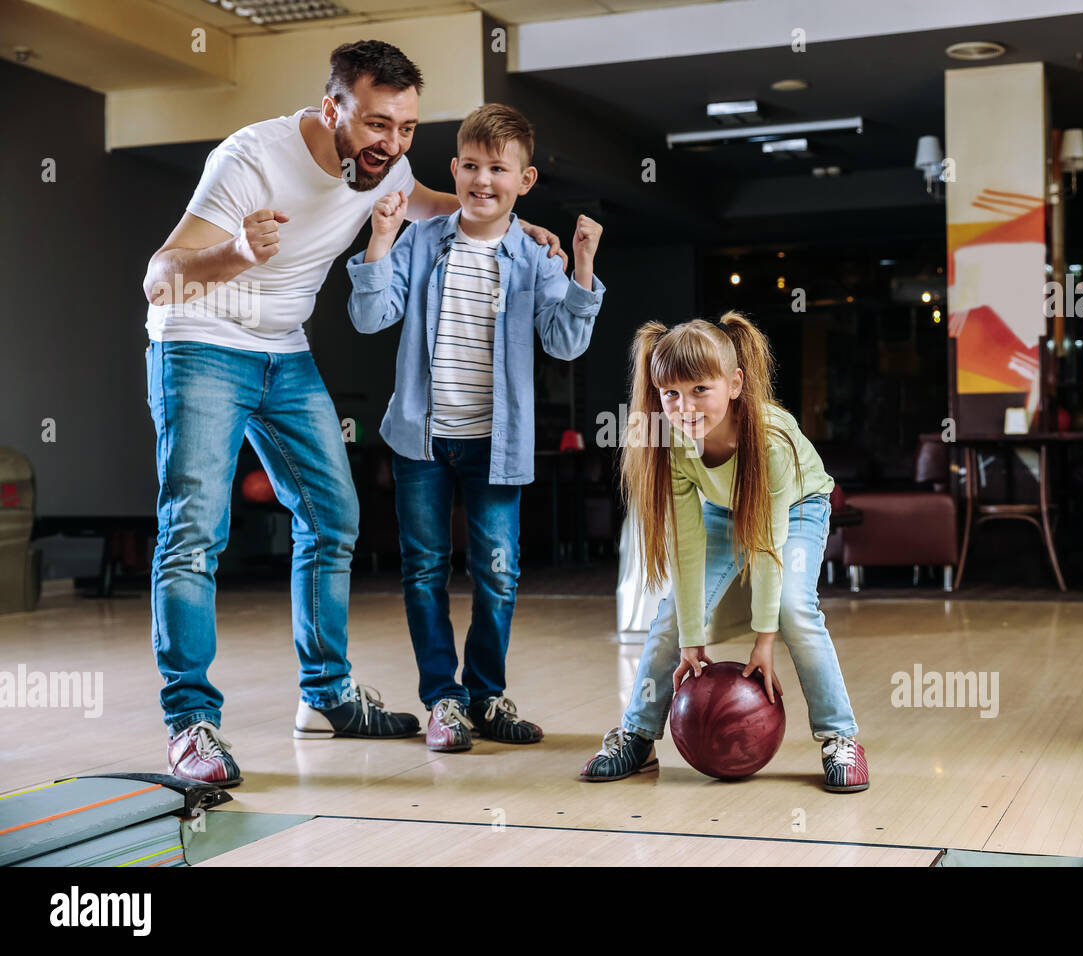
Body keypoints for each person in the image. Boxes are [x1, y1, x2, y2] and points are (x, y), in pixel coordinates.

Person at [140, 41, 567, 787]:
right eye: (377, 126)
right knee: (195, 529)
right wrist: (238, 251)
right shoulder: (250, 158)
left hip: (284, 350)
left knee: (334, 517)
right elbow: (160, 280)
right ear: (332, 107)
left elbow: (438, 204)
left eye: (405, 128)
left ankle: (326, 695)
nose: (393, 145)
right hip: (201, 341)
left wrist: (517, 226)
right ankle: (191, 724)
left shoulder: (387, 167)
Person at [347, 103, 605, 752]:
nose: (482, 180)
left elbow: (566, 341)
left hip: (498, 444)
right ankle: (444, 701)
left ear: (526, 180)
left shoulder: (536, 256)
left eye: (499, 169)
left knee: (498, 572)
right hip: (421, 443)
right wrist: (379, 242)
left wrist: (580, 269)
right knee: (425, 571)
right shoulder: (421, 241)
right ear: (454, 169)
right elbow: (371, 318)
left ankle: (486, 695)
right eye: (471, 166)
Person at [580, 312, 869, 792]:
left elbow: (771, 545)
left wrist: (763, 640)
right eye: (670, 393)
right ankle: (637, 735)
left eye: (699, 390)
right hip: (723, 511)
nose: (684, 406)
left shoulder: (770, 436)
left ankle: (841, 738)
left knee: (794, 608)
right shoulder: (671, 440)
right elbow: (687, 547)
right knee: (671, 613)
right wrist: (693, 640)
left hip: (795, 509)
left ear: (735, 384)